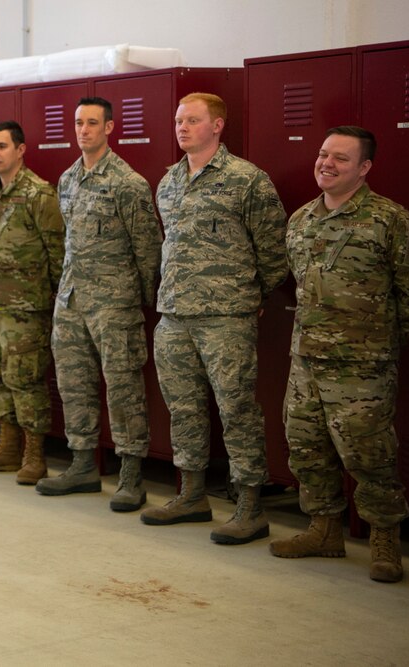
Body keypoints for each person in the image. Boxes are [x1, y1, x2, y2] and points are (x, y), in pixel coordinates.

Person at [269, 126, 409, 582]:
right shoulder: (301, 220)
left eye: (340, 158)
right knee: (306, 449)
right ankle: (323, 529)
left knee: (369, 454)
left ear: (364, 168)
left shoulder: (390, 221)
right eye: (324, 154)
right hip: (305, 361)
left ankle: (385, 540)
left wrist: (382, 336)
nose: (326, 163)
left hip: (363, 366)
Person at [140, 92, 287, 545]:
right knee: (182, 408)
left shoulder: (247, 180)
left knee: (236, 409)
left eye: (193, 120)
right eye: (179, 120)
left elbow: (274, 252)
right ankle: (192, 494)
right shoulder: (168, 182)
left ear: (218, 125)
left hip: (226, 317)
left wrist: (249, 295)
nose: (182, 127)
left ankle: (249, 506)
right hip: (175, 315)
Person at [35, 97, 162, 511]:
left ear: (110, 127)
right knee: (74, 384)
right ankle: (82, 464)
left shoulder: (129, 183)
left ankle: (130, 474)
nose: (83, 130)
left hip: (115, 303)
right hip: (72, 299)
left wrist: (139, 301)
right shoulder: (68, 179)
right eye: (78, 122)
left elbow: (148, 251)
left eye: (92, 123)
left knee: (123, 388)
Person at [0, 121, 65, 484]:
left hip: (25, 307)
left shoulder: (40, 195)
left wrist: (52, 300)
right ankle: (7, 448)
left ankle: (34, 456)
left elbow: (58, 252)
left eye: (2, 146)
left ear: (20, 150)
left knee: (26, 379)